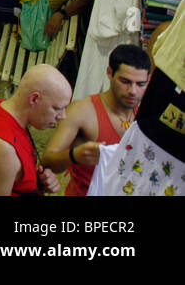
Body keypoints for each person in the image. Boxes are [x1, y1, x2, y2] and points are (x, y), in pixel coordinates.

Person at [42, 44, 151, 197]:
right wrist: (74, 155)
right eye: (125, 82)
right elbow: (47, 160)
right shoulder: (82, 111)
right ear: (109, 73)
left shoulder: (147, 114)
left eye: (140, 84)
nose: (133, 91)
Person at [0, 64, 70, 195]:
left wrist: (33, 181)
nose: (63, 116)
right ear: (34, 98)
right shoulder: (1, 148)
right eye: (57, 108)